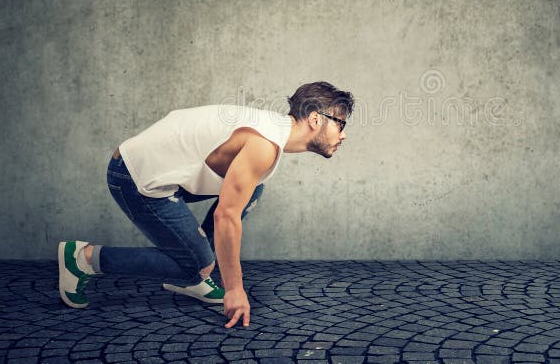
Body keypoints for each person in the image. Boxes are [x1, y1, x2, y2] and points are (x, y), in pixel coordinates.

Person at [58, 81, 353, 329]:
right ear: (315, 119)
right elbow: (227, 215)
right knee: (198, 263)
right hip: (132, 176)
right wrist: (234, 289)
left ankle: (194, 276)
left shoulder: (271, 130)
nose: (343, 134)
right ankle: (83, 258)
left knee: (252, 189)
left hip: (162, 171)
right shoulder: (264, 145)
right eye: (340, 123)